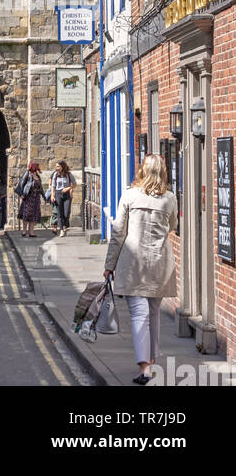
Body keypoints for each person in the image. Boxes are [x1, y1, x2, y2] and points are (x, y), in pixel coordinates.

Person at [103, 154, 178, 386]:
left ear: (143, 171)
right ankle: (151, 363)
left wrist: (109, 265)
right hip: (159, 261)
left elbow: (118, 233)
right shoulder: (170, 198)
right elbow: (173, 226)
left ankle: (144, 368)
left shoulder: (130, 195)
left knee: (139, 314)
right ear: (162, 171)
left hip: (133, 263)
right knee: (153, 314)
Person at [15, 161, 48, 237]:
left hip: (36, 198)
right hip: (28, 197)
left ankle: (31, 232)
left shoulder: (38, 176)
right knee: (27, 215)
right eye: (37, 166)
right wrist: (21, 194)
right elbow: (21, 184)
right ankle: (24, 231)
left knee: (34, 215)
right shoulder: (28, 174)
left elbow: (41, 188)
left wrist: (44, 197)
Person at [50, 160, 75, 236]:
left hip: (66, 194)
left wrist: (67, 189)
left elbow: (74, 184)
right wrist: (52, 195)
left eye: (58, 166)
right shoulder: (55, 174)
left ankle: (64, 226)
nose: (56, 168)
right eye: (56, 166)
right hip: (58, 193)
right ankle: (61, 230)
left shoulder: (69, 174)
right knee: (59, 213)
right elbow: (53, 186)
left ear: (62, 167)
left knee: (66, 213)